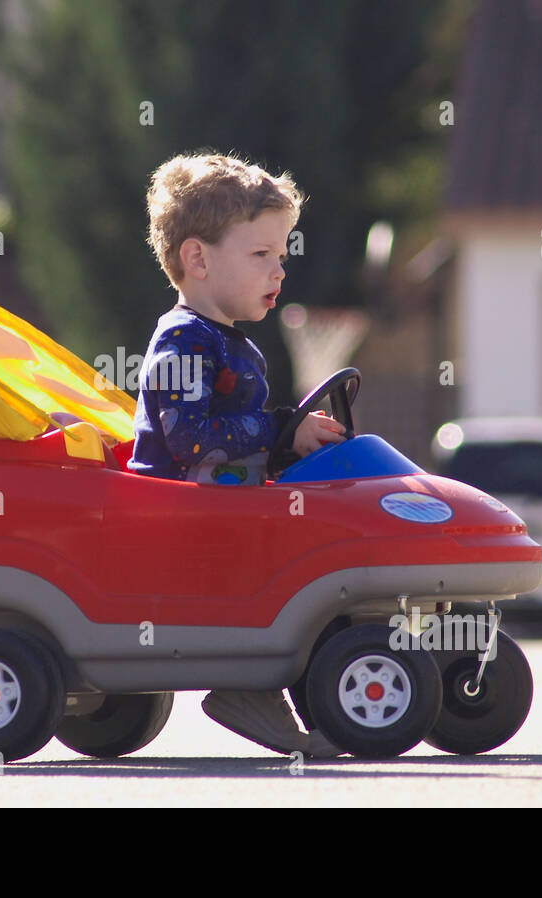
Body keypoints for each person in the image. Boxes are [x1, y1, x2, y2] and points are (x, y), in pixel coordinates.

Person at [129, 152, 346, 756]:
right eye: (261, 256)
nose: (279, 271)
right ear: (197, 258)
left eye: (281, 256)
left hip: (223, 508)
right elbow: (189, 438)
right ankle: (250, 682)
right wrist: (283, 431)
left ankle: (317, 679)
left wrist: (294, 443)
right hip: (176, 517)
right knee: (284, 566)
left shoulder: (234, 343)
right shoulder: (181, 341)